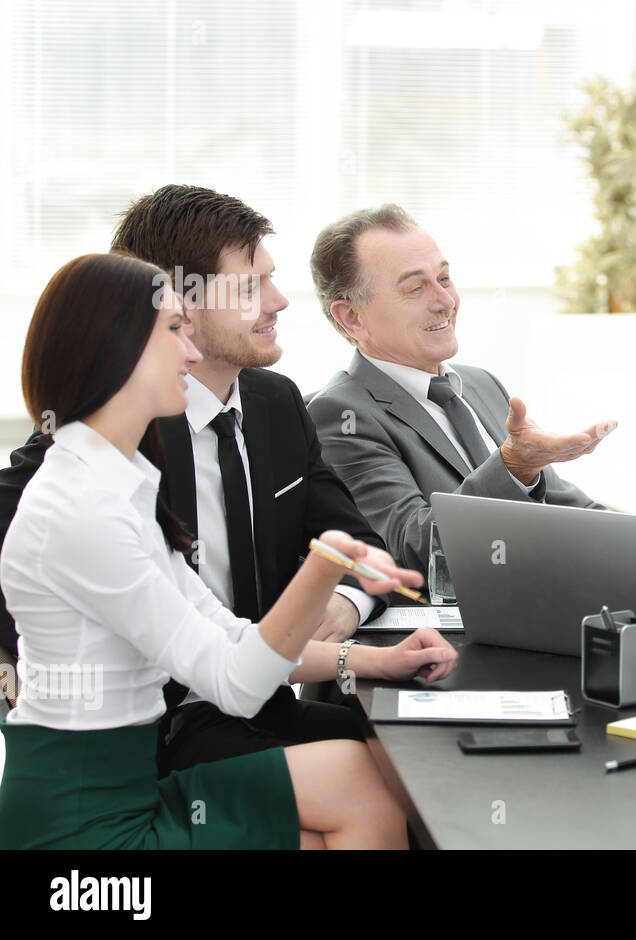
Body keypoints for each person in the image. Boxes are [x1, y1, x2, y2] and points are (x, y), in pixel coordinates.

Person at [0, 185, 457, 774]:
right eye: (250, 287)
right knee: (366, 779)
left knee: (411, 752)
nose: (280, 301)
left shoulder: (276, 404)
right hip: (154, 739)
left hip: (257, 696)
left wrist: (344, 604)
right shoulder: (104, 441)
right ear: (173, 304)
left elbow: (362, 545)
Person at [305, 204, 636, 578]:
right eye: (415, 288)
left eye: (444, 278)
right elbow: (414, 552)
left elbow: (568, 509)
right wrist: (512, 468)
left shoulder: (479, 383)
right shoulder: (340, 415)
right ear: (352, 317)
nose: (446, 301)